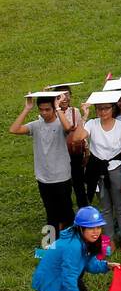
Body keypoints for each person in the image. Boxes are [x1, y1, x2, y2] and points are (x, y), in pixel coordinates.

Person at [30, 207, 121, 291]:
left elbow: (90, 264)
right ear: (80, 228)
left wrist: (106, 265)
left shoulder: (86, 240)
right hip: (53, 281)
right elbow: (69, 276)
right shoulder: (73, 246)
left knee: (82, 290)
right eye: (91, 228)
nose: (96, 232)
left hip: (65, 276)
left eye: (98, 227)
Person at [9, 95, 76, 231]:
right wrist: (27, 108)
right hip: (43, 178)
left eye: (47, 109)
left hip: (62, 177)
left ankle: (71, 243)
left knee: (67, 213)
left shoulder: (61, 123)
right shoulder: (36, 125)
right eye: (41, 110)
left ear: (53, 108)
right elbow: (14, 129)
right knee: (50, 214)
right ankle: (51, 244)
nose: (44, 113)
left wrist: (58, 108)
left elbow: (68, 128)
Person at [80, 97, 121, 256]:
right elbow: (78, 136)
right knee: (105, 209)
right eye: (99, 109)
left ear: (113, 108)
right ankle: (110, 240)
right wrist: (85, 115)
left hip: (116, 169)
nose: (103, 112)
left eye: (106, 108)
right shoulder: (92, 124)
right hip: (97, 170)